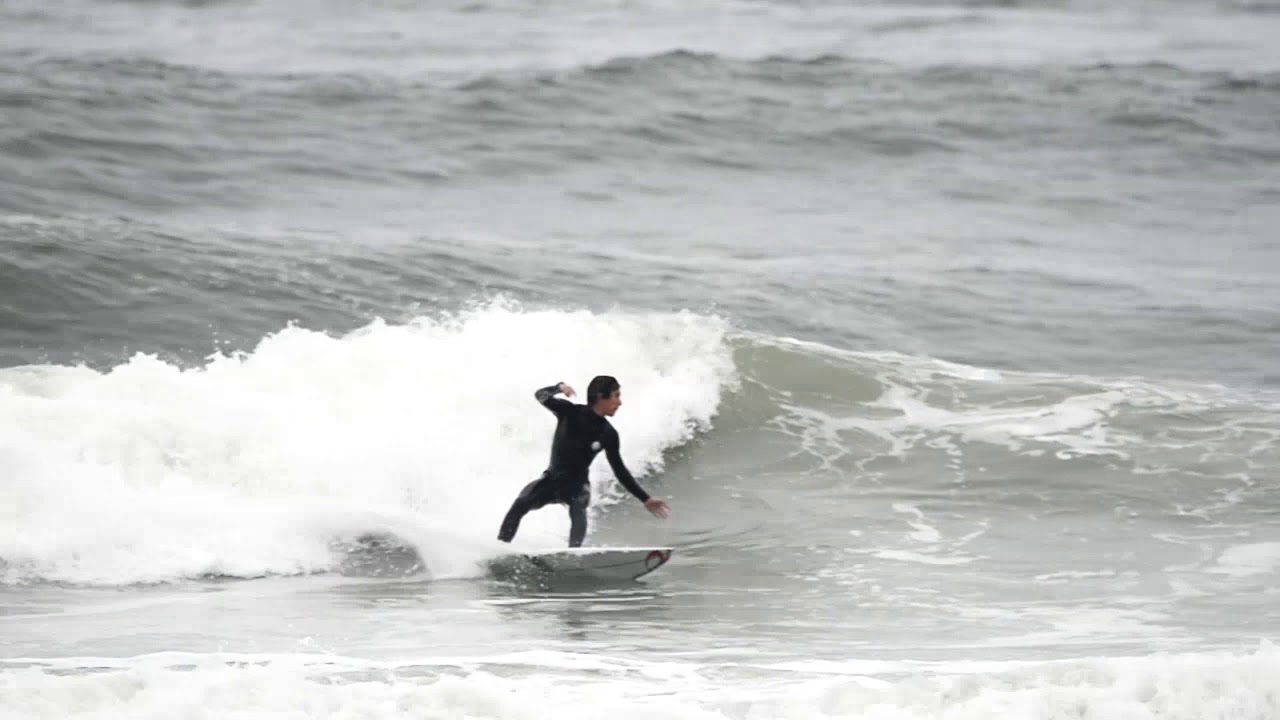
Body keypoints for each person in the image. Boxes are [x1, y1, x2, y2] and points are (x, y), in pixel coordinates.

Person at [497, 375, 670, 548]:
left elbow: (620, 471)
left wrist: (645, 499)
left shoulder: (608, 434)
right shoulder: (569, 412)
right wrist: (558, 387)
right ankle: (501, 548)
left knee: (579, 505)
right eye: (616, 396)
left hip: (577, 486)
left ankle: (573, 555)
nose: (620, 403)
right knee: (521, 502)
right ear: (601, 397)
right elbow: (540, 395)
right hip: (552, 480)